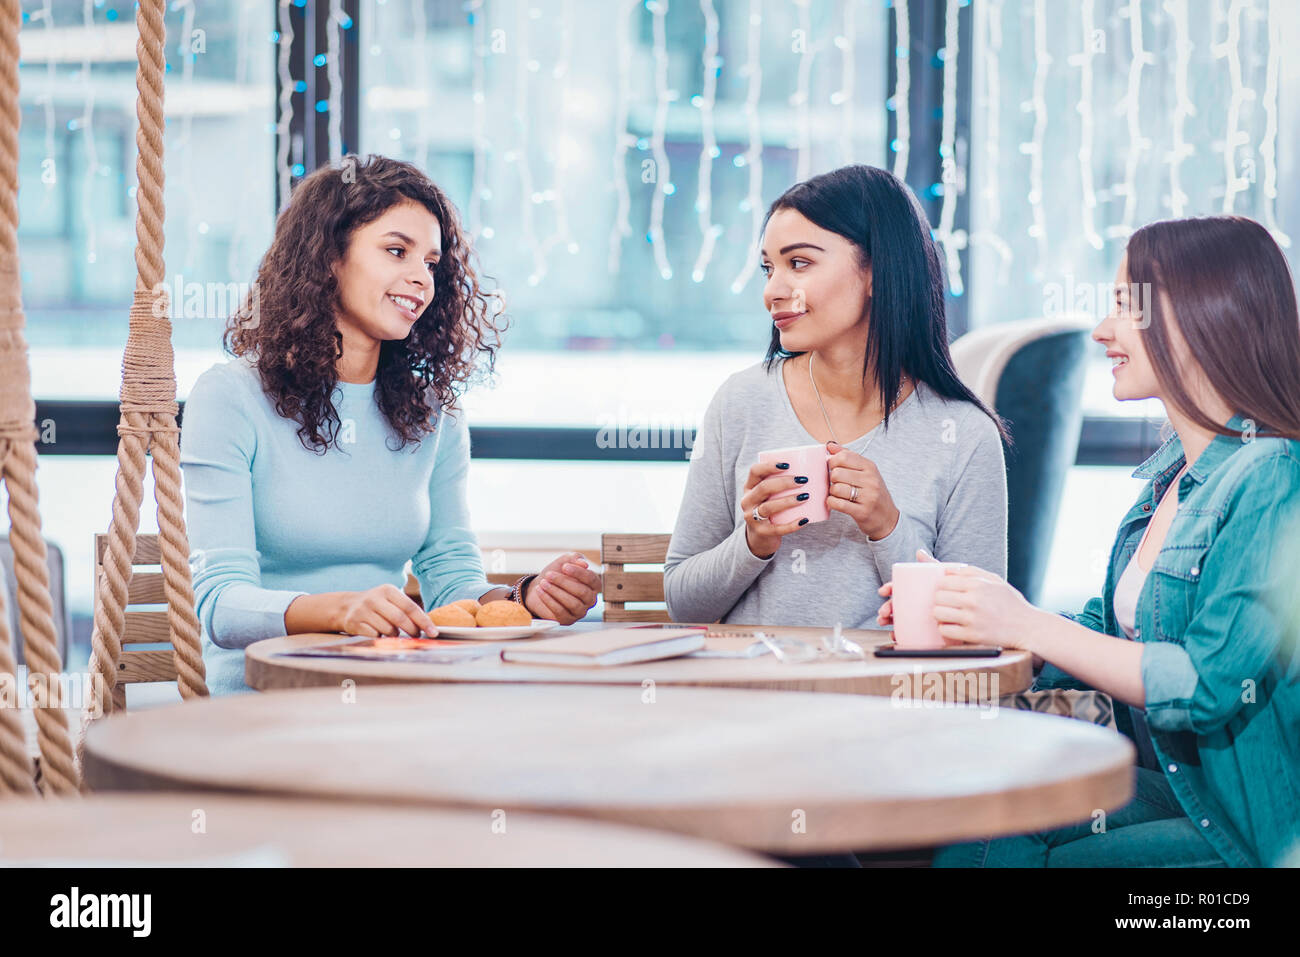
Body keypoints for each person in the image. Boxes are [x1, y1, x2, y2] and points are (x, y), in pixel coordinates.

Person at [890, 215, 1300, 867]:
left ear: (1203, 315)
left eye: (1123, 307)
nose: (1103, 330)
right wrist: (977, 620)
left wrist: (1024, 621)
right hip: (1179, 788)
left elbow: (1205, 685)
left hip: (1245, 827)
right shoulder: (1169, 478)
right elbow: (1105, 629)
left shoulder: (1269, 474)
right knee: (985, 808)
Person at [181, 155, 600, 694]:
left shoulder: (434, 414)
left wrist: (523, 600)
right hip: (266, 699)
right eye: (396, 251)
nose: (420, 279)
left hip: (391, 689)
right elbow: (223, 605)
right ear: (328, 256)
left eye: (430, 262)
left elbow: (452, 581)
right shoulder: (231, 397)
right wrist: (341, 609)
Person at [663, 164, 1008, 631]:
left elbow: (983, 625)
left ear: (876, 271)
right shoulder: (741, 402)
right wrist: (753, 541)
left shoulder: (964, 435)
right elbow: (683, 605)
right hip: (751, 694)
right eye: (768, 268)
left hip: (888, 698)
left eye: (798, 263)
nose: (772, 291)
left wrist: (887, 527)